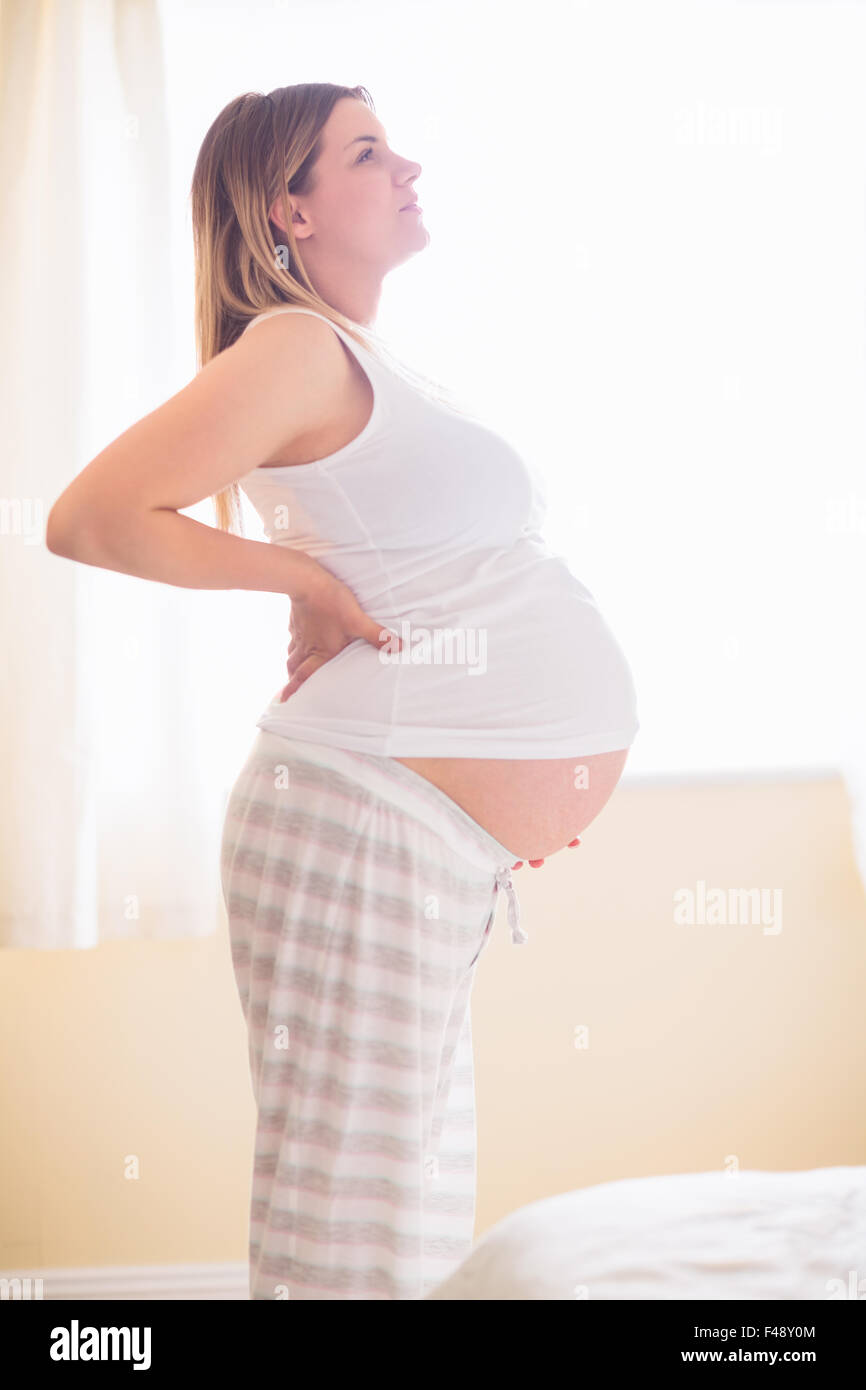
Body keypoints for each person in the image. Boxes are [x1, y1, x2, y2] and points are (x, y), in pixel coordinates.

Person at [45, 82, 640, 1301]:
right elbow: (91, 517)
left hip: (410, 835)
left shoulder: (357, 356)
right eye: (366, 152)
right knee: (350, 1218)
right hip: (357, 823)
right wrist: (298, 579)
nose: (407, 165)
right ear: (291, 212)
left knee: (397, 1201)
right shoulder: (296, 344)